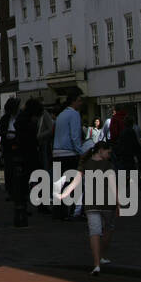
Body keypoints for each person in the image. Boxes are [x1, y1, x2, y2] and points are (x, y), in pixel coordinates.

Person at [81, 140, 121, 276]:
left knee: (94, 232)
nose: (109, 155)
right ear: (101, 151)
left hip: (91, 203)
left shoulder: (85, 164)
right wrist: (118, 202)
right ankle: (101, 256)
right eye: (108, 152)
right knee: (108, 228)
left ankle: (96, 263)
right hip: (106, 203)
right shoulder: (108, 165)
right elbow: (112, 185)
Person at [52, 89, 84, 219]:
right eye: (79, 100)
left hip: (57, 152)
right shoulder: (74, 114)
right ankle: (72, 211)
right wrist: (81, 152)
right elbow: (75, 136)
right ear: (74, 101)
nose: (81, 103)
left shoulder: (61, 115)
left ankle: (59, 212)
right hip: (68, 153)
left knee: (59, 183)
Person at [12, 98, 42, 227]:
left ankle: (23, 205)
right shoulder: (27, 121)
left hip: (24, 152)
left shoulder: (21, 119)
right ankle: (24, 205)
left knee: (26, 180)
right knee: (28, 179)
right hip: (28, 152)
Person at [111, 114, 141, 196]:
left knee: (126, 174)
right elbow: (135, 144)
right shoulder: (130, 131)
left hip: (124, 156)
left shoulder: (123, 132)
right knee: (130, 174)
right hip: (127, 157)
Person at [0, 97, 21, 202]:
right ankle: (11, 191)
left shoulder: (20, 117)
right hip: (8, 147)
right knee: (10, 170)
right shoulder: (5, 119)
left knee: (18, 171)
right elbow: (0, 130)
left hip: (18, 146)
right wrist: (7, 134)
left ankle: (19, 191)